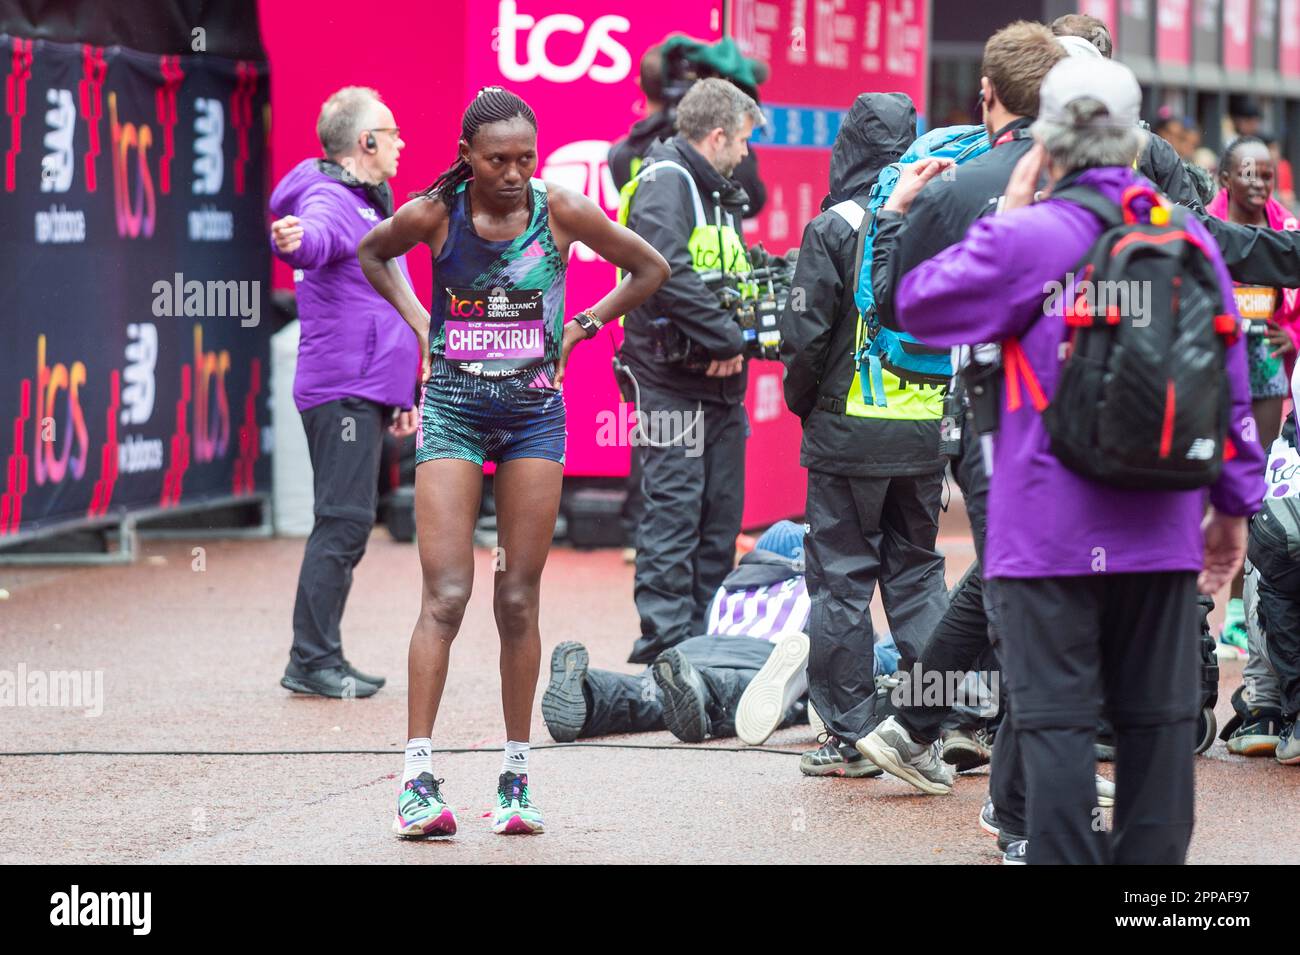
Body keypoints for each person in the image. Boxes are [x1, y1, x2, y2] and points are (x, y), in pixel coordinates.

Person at [893, 57, 1264, 864]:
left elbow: (919, 304)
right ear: (1135, 140)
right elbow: (1232, 383)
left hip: (1042, 532)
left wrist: (1014, 207)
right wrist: (1232, 509)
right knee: (1159, 733)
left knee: (1056, 726)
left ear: (1045, 141)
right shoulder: (1188, 237)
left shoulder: (1032, 237)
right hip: (1162, 529)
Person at [358, 87, 668, 838]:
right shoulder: (437, 214)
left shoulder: (559, 210)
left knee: (519, 597)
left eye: (525, 158)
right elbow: (372, 251)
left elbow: (649, 267)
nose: (513, 173)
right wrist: (423, 322)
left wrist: (584, 325)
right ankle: (416, 779)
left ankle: (516, 774)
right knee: (448, 594)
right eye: (497, 160)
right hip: (456, 413)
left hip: (533, 416)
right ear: (467, 157)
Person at [863, 22, 1068, 843]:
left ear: (985, 94)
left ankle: (921, 727)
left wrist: (894, 213)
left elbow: (892, 309)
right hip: (1074, 422)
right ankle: (1016, 803)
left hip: (982, 419)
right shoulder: (1095, 185)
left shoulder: (950, 188)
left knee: (1012, 580)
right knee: (1028, 591)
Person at [778, 91, 950, 778]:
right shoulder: (940, 213)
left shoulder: (836, 224)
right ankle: (932, 725)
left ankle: (850, 735)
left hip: (848, 431)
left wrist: (806, 406)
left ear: (845, 144)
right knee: (917, 574)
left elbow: (805, 340)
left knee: (842, 582)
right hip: (924, 429)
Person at [269, 86, 419, 700]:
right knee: (343, 522)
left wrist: (401, 393)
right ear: (366, 142)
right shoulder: (331, 200)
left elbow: (385, 306)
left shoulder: (367, 202)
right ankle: (310, 660)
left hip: (364, 393)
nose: (401, 140)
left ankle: (321, 654)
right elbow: (316, 238)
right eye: (392, 130)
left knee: (348, 523)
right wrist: (295, 240)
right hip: (341, 395)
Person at [618, 78, 766, 665]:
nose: (748, 155)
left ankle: (704, 647)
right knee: (675, 513)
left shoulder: (717, 188)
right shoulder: (666, 182)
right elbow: (667, 273)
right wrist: (728, 338)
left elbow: (726, 280)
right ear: (718, 135)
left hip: (718, 384)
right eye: (745, 141)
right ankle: (664, 647)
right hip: (667, 380)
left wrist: (740, 339)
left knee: (718, 515)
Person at [541, 521, 854, 745]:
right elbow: (842, 647)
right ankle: (701, 692)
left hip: (695, 649)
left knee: (646, 694)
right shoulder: (811, 589)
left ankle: (590, 693)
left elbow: (710, 624)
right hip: (757, 661)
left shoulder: (732, 585)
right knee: (729, 692)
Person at [1207, 136, 1300, 656]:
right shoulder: (1201, 225)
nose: (1261, 183)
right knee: (1196, 490)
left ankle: (1241, 619)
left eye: (1268, 175)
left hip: (1264, 369)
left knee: (1255, 489)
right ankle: (1190, 620)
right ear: (1226, 180)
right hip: (1207, 370)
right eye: (1249, 174)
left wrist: (1295, 338)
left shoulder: (1287, 229)